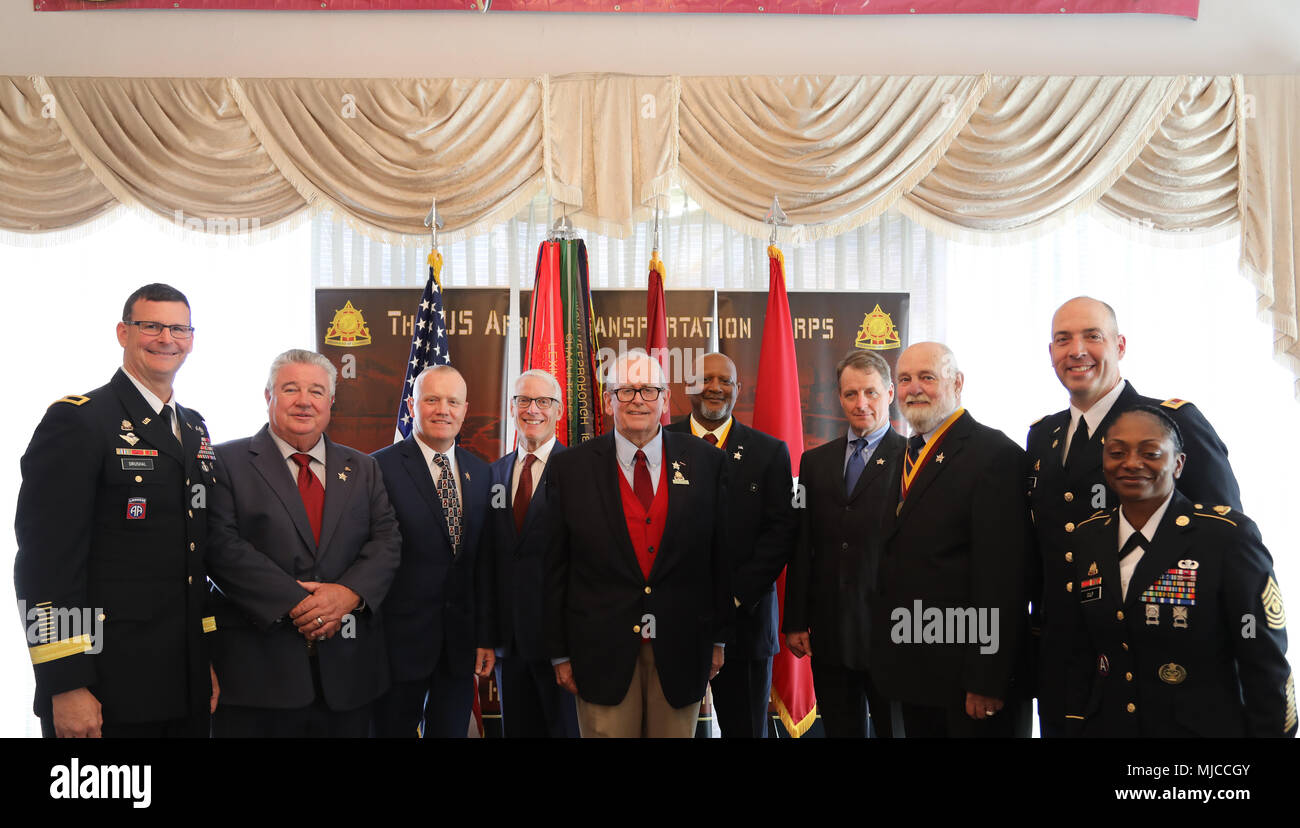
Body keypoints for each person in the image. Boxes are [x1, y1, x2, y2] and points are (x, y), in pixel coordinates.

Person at [1028, 296, 1242, 736]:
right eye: (1062, 339)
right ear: (1050, 353)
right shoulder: (1043, 435)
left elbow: (1225, 547)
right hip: (1063, 659)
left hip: (1152, 659)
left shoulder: (1170, 422)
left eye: (1093, 335)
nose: (1077, 350)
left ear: (1120, 345)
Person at [15, 283, 217, 738]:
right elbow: (46, 565)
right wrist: (65, 683)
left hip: (183, 683)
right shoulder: (80, 420)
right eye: (151, 326)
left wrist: (204, 660)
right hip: (106, 687)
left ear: (191, 338)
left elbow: (195, 558)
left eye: (179, 328)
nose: (167, 338)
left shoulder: (192, 425)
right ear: (124, 332)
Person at [1064, 406, 1294, 738]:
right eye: (1117, 452)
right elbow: (1081, 649)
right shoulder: (1089, 536)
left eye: (1150, 452)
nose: (1131, 463)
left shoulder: (1226, 536)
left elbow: (1264, 659)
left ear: (1178, 464)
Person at [206, 349, 401, 737]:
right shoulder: (224, 461)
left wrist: (347, 595)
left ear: (330, 401)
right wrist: (303, 604)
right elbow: (221, 547)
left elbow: (387, 540)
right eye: (291, 388)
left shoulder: (363, 467)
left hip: (348, 679)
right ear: (268, 397)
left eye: (316, 390)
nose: (304, 400)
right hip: (259, 678)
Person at [545, 349, 732, 738]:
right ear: (609, 401)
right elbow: (553, 566)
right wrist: (560, 651)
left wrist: (718, 638)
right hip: (599, 652)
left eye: (648, 391)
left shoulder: (706, 462)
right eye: (625, 391)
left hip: (682, 648)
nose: (637, 401)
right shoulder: (570, 468)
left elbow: (719, 559)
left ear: (665, 399)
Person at [873, 342, 1033, 737]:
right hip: (915, 670)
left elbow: (1003, 580)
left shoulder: (994, 455)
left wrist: (987, 678)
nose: (913, 388)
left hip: (968, 681)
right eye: (905, 379)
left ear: (957, 383)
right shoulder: (905, 453)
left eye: (927, 377)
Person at [665, 352, 797, 738]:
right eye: (706, 378)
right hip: (673, 623)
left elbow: (780, 534)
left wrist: (734, 597)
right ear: (688, 387)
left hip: (747, 624)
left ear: (738, 390)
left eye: (726, 381)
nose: (716, 387)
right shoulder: (660, 444)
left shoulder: (769, 452)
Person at [784, 349, 905, 738]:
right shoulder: (813, 462)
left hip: (892, 633)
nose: (861, 403)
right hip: (830, 630)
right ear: (839, 397)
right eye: (851, 394)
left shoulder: (912, 458)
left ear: (889, 393)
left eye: (870, 392)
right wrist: (796, 620)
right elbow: (802, 545)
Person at [372, 364, 493, 738]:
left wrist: (484, 634)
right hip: (397, 647)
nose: (444, 409)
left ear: (465, 410)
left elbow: (482, 562)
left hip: (458, 648)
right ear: (412, 405)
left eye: (453, 401)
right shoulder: (378, 467)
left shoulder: (481, 472)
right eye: (432, 399)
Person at [482, 369, 578, 738]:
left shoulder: (581, 471)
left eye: (543, 402)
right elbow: (489, 562)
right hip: (510, 646)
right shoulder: (494, 474)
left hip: (563, 648)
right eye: (524, 400)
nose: (532, 409)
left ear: (560, 411)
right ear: (511, 407)